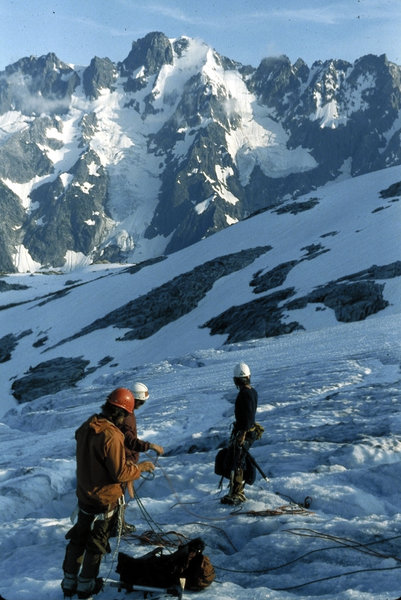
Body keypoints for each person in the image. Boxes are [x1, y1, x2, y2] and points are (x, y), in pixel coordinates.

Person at [61, 388, 155, 599]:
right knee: (96, 544)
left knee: (77, 539)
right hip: (103, 500)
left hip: (84, 495)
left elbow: (80, 439)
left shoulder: (88, 425)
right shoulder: (111, 435)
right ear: (122, 413)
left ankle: (69, 583)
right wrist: (141, 468)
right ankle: (85, 586)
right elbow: (121, 473)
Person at [116, 382, 164, 534]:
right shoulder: (127, 416)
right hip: (124, 459)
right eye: (141, 402)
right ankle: (117, 525)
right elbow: (129, 440)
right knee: (118, 495)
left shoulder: (121, 412)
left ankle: (118, 523)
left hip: (120, 457)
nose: (141, 405)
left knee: (119, 494)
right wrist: (150, 446)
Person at [220, 362, 260, 506]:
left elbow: (248, 417)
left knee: (237, 461)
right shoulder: (252, 392)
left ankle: (237, 493)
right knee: (238, 459)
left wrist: (242, 433)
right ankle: (236, 491)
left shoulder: (245, 394)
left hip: (244, 432)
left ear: (236, 380)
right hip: (247, 431)